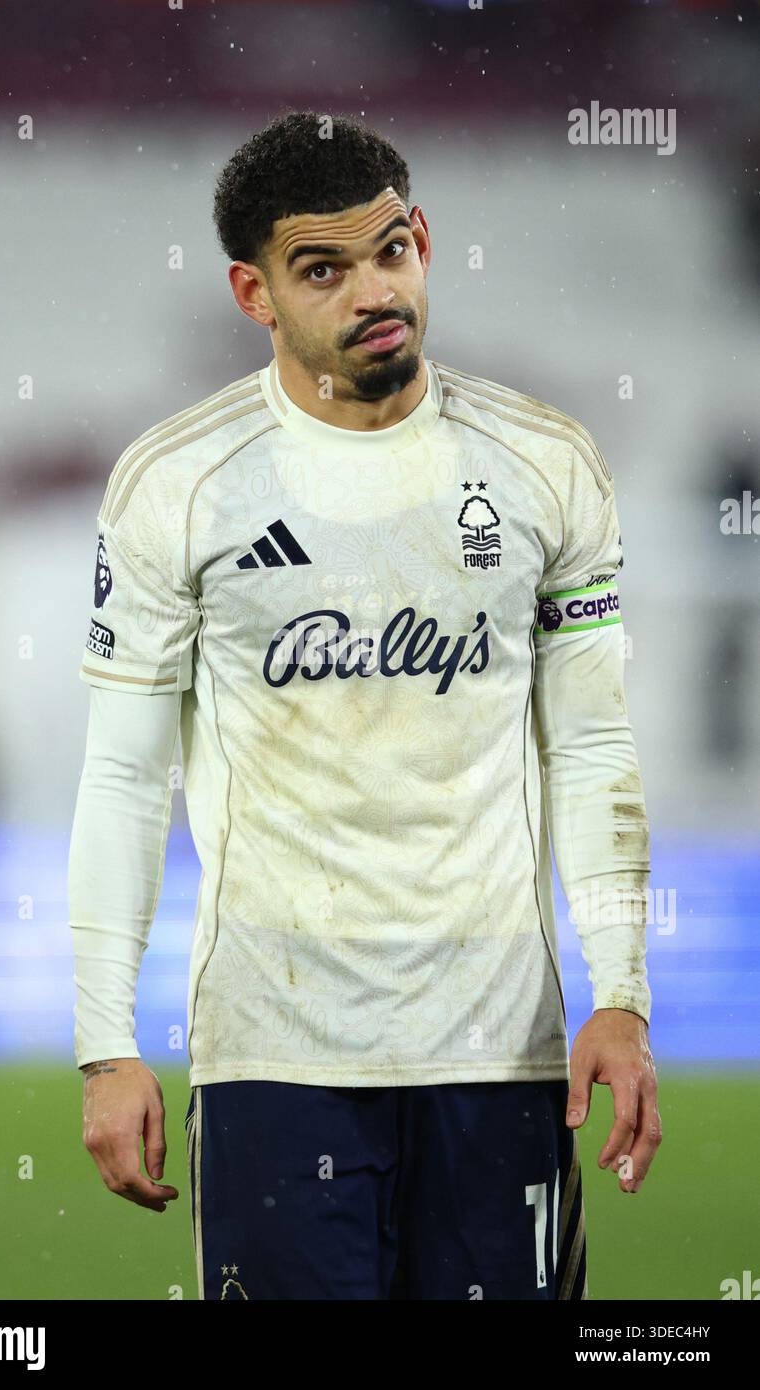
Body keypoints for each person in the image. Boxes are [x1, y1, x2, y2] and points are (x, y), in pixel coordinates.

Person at [69, 110, 661, 1301]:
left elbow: (591, 742)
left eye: (390, 250)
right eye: (321, 268)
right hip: (273, 1053)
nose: (371, 289)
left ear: (424, 238)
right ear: (255, 291)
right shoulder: (176, 485)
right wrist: (104, 1044)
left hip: (503, 1054)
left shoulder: (545, 465)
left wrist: (622, 995)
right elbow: (127, 775)